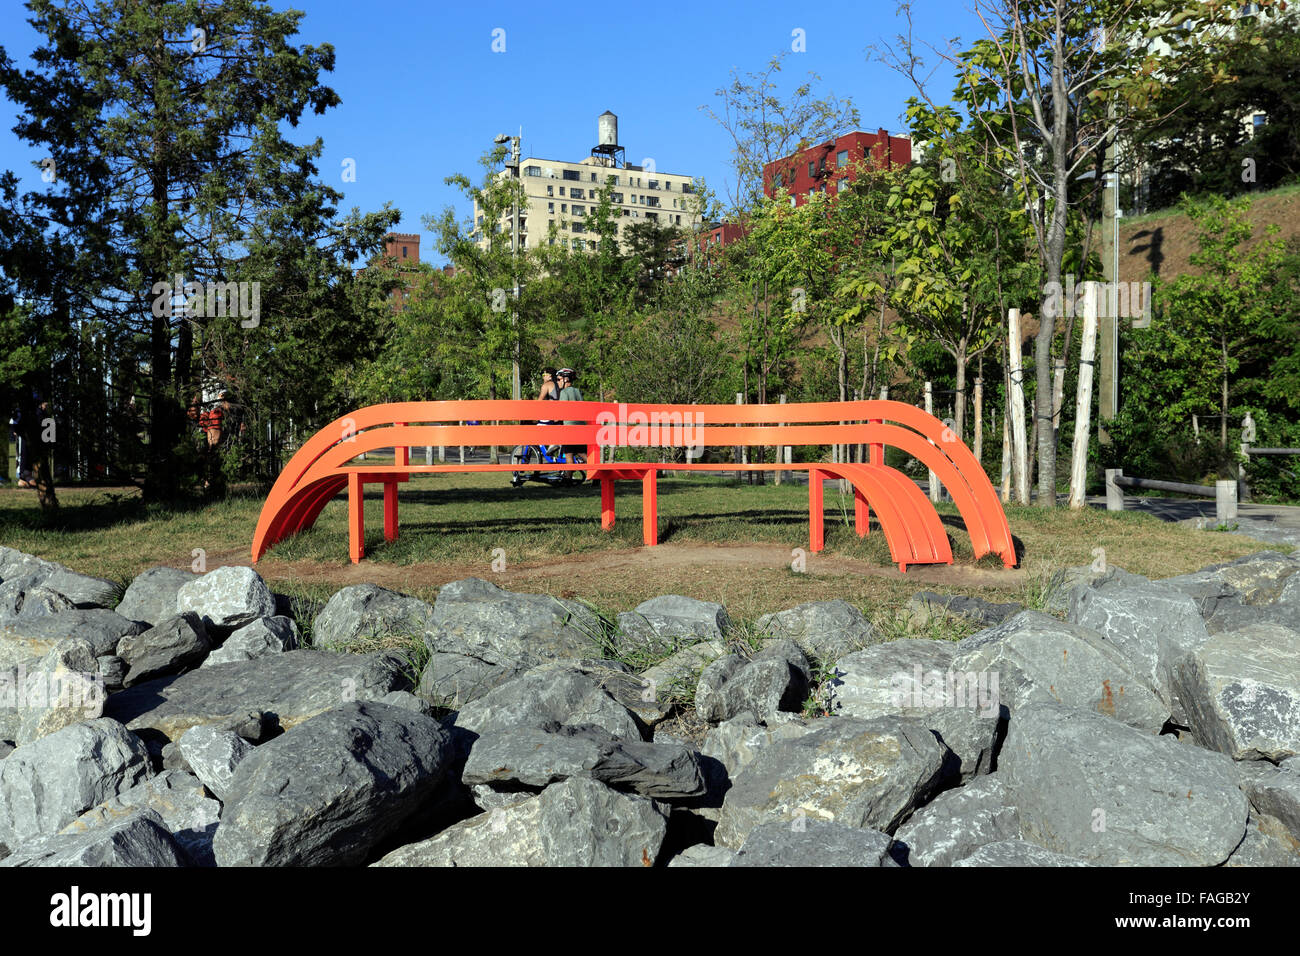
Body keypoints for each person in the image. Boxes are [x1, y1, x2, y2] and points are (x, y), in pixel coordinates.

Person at [555, 367, 585, 481]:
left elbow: (562, 411)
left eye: (558, 379)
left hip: (570, 428)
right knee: (581, 452)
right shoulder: (578, 391)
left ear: (565, 379)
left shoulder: (564, 392)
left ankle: (568, 479)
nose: (557, 382)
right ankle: (595, 473)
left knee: (568, 454)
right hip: (581, 426)